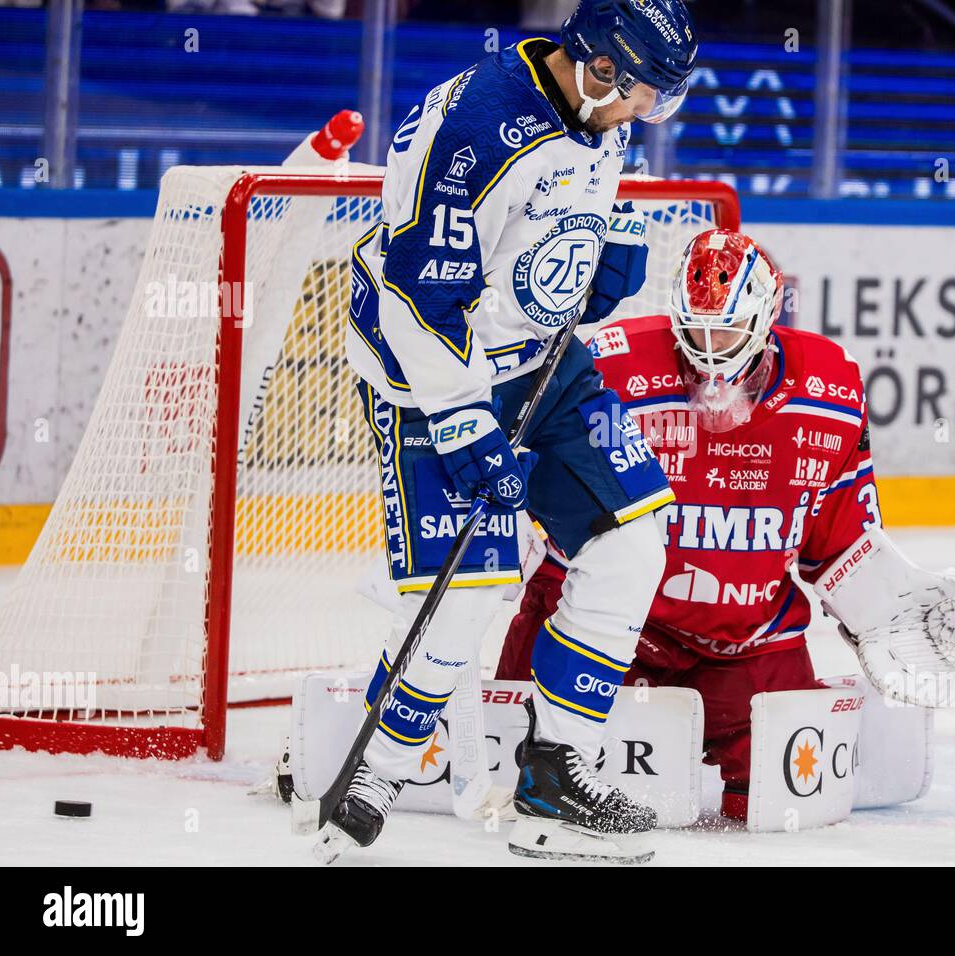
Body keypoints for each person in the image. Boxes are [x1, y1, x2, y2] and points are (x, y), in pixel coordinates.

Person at [324, 0, 698, 864]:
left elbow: (580, 183)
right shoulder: (480, 128)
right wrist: (462, 424)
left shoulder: (597, 102)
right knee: (467, 598)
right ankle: (376, 772)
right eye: (648, 92)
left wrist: (609, 241)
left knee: (635, 535)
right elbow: (421, 296)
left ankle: (556, 771)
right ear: (602, 66)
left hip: (539, 360)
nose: (651, 111)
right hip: (431, 368)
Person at [497, 228, 886, 820]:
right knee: (522, 782)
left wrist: (881, 614)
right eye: (695, 332)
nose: (708, 352)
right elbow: (528, 466)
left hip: (750, 641)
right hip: (606, 627)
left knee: (781, 810)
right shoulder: (611, 363)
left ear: (763, 320)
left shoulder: (830, 387)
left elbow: (838, 537)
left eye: (725, 331)